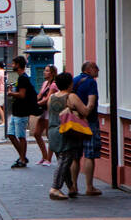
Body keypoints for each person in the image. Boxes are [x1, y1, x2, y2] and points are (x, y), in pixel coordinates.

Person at [47, 71, 91, 200]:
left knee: (63, 162)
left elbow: (51, 113)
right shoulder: (71, 97)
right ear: (70, 84)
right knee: (65, 161)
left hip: (53, 131)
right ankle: (55, 188)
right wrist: (90, 103)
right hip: (66, 132)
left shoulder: (52, 97)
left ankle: (71, 188)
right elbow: (85, 111)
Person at [72, 61, 102, 195]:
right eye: (96, 68)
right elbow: (91, 103)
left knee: (75, 156)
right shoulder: (91, 82)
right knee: (89, 155)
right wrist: (86, 114)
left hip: (74, 122)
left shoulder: (74, 80)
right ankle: (89, 187)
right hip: (89, 122)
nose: (98, 70)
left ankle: (73, 186)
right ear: (89, 69)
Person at [6, 56, 36, 168]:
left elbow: (22, 95)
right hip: (16, 112)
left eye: (14, 64)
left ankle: (22, 159)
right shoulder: (20, 78)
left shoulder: (23, 78)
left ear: (18, 65)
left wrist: (11, 93)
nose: (12, 65)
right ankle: (22, 156)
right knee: (11, 134)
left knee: (21, 136)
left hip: (21, 112)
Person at [31, 65, 57, 165]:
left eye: (46, 71)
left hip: (50, 111)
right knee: (37, 133)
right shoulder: (45, 83)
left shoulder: (54, 85)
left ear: (52, 73)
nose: (44, 72)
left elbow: (48, 98)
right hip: (43, 111)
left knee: (49, 135)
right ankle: (44, 156)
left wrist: (37, 103)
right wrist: (35, 100)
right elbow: (40, 95)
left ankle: (49, 159)